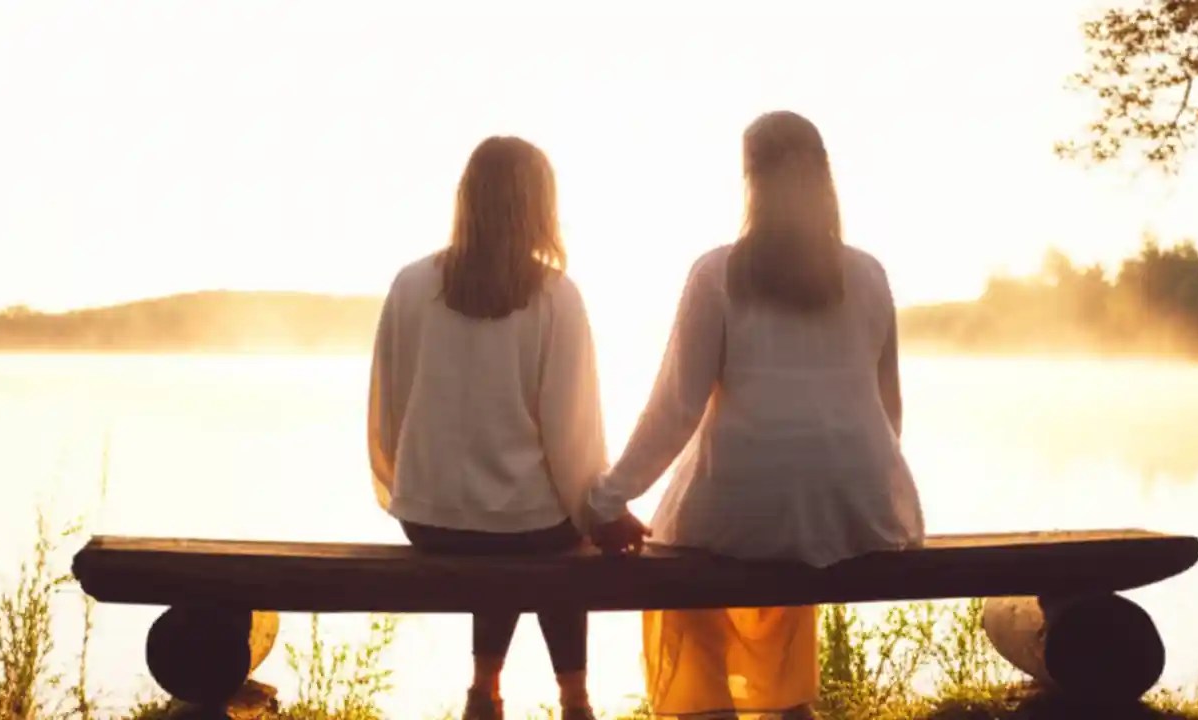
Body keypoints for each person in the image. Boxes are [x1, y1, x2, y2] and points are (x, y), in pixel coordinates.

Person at [588, 111, 925, 719]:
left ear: (752, 181)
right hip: (859, 513)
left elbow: (676, 408)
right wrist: (855, 484)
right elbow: (889, 408)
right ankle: (785, 705)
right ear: (824, 177)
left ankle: (707, 709)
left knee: (691, 537)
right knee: (795, 526)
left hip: (755, 514)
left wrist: (608, 498)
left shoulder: (718, 274)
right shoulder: (867, 274)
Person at [368, 136, 606, 720]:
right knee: (551, 531)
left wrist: (410, 489)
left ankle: (484, 689)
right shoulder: (556, 297)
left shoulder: (411, 285)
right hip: (526, 529)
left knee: (510, 520)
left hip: (429, 521)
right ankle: (574, 699)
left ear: (466, 199)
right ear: (540, 207)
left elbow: (387, 409)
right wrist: (598, 511)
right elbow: (571, 438)